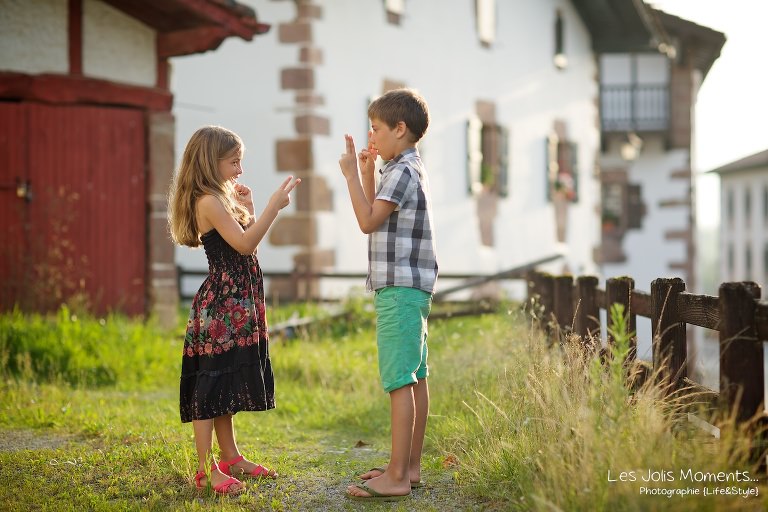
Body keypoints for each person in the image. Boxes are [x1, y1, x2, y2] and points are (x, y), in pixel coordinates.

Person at [168, 125, 300, 495]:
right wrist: (273, 208)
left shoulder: (219, 199)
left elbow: (248, 248)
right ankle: (203, 469)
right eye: (234, 161)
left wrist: (253, 209)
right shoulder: (207, 202)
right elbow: (243, 246)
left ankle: (231, 457)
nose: (240, 170)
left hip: (237, 304)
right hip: (222, 307)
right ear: (212, 162)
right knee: (210, 387)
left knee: (224, 381)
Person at [338, 89, 438, 501]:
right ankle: (409, 467)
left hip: (398, 288)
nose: (371, 136)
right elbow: (380, 214)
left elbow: (366, 221)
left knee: (399, 380)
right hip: (412, 286)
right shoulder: (405, 166)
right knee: (416, 377)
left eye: (377, 129)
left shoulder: (399, 172)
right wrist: (365, 171)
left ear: (401, 129)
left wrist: (347, 175)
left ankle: (396, 477)